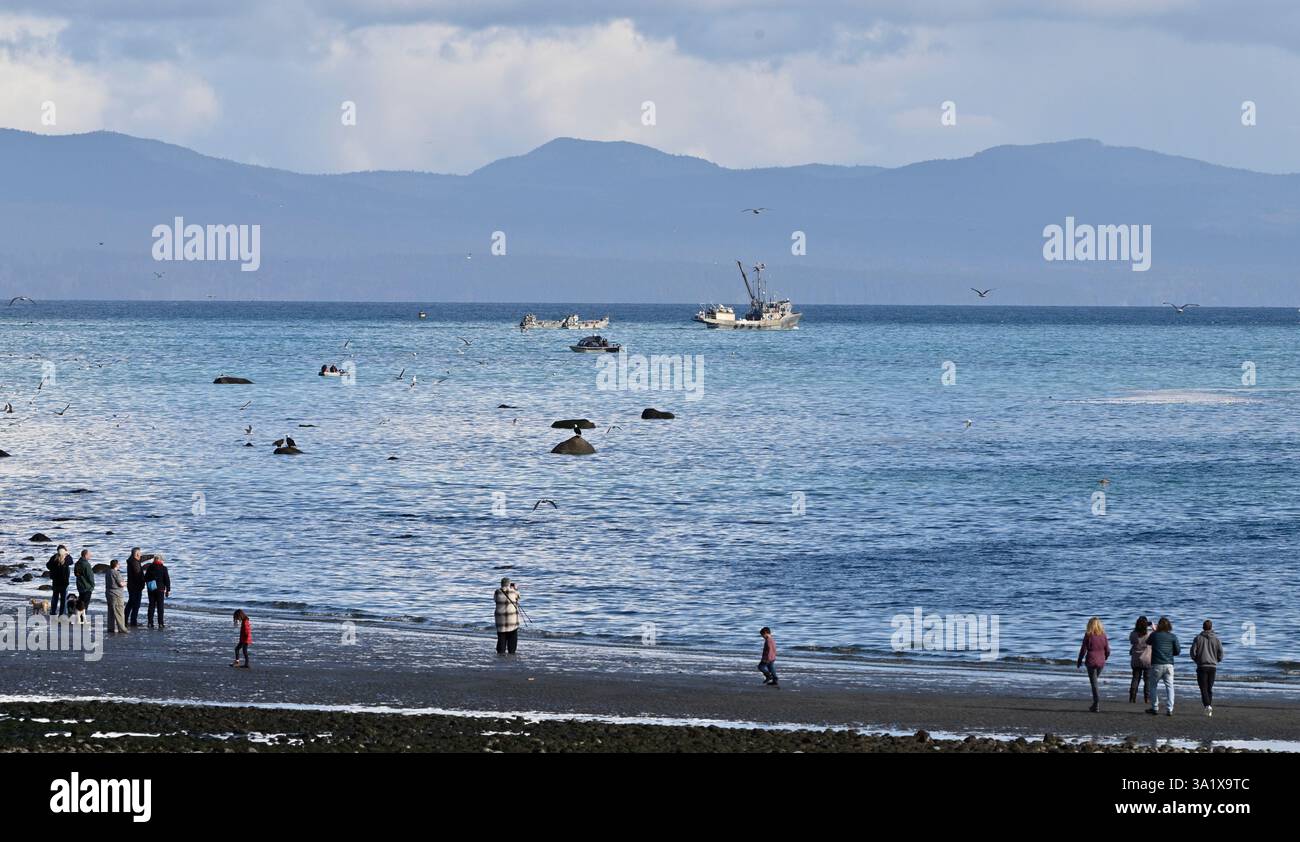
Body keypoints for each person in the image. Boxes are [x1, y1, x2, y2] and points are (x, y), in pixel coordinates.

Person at [1147, 616, 1181, 716]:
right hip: (1169, 665)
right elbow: (1177, 651)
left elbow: (1148, 642)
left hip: (1156, 664)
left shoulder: (1154, 635)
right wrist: (1170, 653)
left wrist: (1154, 631)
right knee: (1170, 687)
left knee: (1153, 686)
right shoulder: (1173, 636)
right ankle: (1169, 709)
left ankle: (1155, 707)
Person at [1190, 620, 1225, 716]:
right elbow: (1221, 654)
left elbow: (1193, 653)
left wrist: (1197, 660)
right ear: (1211, 627)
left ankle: (1207, 706)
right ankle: (1208, 707)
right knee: (1209, 688)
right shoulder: (1216, 639)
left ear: (1203, 627)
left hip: (1202, 666)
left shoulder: (1198, 638)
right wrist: (1216, 660)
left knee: (1203, 688)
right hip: (1212, 667)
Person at [1076, 616, 1110, 712]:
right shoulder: (1103, 635)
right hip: (1101, 662)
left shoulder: (1088, 635)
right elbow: (1107, 650)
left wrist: (1079, 660)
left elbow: (1083, 649)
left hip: (1091, 661)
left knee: (1094, 683)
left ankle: (1096, 703)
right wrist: (1105, 658)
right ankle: (1095, 703)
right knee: (1095, 682)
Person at [1128, 615, 1153, 704]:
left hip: (1136, 659)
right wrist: (1152, 626)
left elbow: (1131, 642)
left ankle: (1132, 697)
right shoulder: (1149, 634)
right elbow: (1157, 636)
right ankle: (1147, 698)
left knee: (1135, 678)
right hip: (1147, 659)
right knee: (1147, 680)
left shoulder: (1133, 634)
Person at [494, 577, 520, 654]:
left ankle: (501, 652)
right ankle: (511, 651)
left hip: (500, 619)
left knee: (501, 636)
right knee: (512, 636)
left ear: (501, 584)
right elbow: (518, 597)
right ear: (509, 584)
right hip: (512, 620)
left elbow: (495, 599)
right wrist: (515, 589)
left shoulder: (497, 592)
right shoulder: (513, 592)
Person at [144, 554, 171, 628]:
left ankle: (150, 622)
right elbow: (167, 580)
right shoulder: (164, 568)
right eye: (162, 560)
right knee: (160, 606)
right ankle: (160, 623)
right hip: (160, 589)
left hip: (151, 589)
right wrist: (168, 590)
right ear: (160, 560)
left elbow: (145, 578)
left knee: (151, 605)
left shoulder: (150, 567)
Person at [46, 545, 72, 616]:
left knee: (55, 598)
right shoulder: (66, 558)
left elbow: (48, 565)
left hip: (56, 581)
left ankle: (53, 612)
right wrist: (68, 554)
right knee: (63, 599)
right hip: (64, 582)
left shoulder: (54, 558)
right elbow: (71, 562)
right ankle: (62, 614)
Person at [104, 559, 128, 634]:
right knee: (119, 612)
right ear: (116, 565)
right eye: (118, 564)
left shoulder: (108, 572)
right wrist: (127, 582)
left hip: (109, 593)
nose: (119, 565)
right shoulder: (116, 573)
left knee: (111, 611)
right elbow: (121, 584)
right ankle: (122, 628)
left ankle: (111, 628)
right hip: (116, 594)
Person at [125, 548, 146, 627]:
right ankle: (133, 622)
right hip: (135, 587)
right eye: (140, 553)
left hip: (132, 586)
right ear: (137, 554)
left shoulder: (133, 560)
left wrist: (152, 556)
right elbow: (138, 575)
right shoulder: (135, 563)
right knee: (135, 604)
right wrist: (144, 581)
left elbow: (143, 558)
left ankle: (126, 620)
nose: (141, 555)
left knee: (131, 603)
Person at [73, 549, 95, 617]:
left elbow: (75, 574)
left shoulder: (77, 563)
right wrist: (92, 585)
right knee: (85, 605)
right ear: (85, 555)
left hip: (80, 586)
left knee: (80, 603)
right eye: (89, 555)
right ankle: (83, 619)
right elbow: (90, 576)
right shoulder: (86, 564)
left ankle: (79, 618)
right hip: (86, 587)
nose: (91, 556)